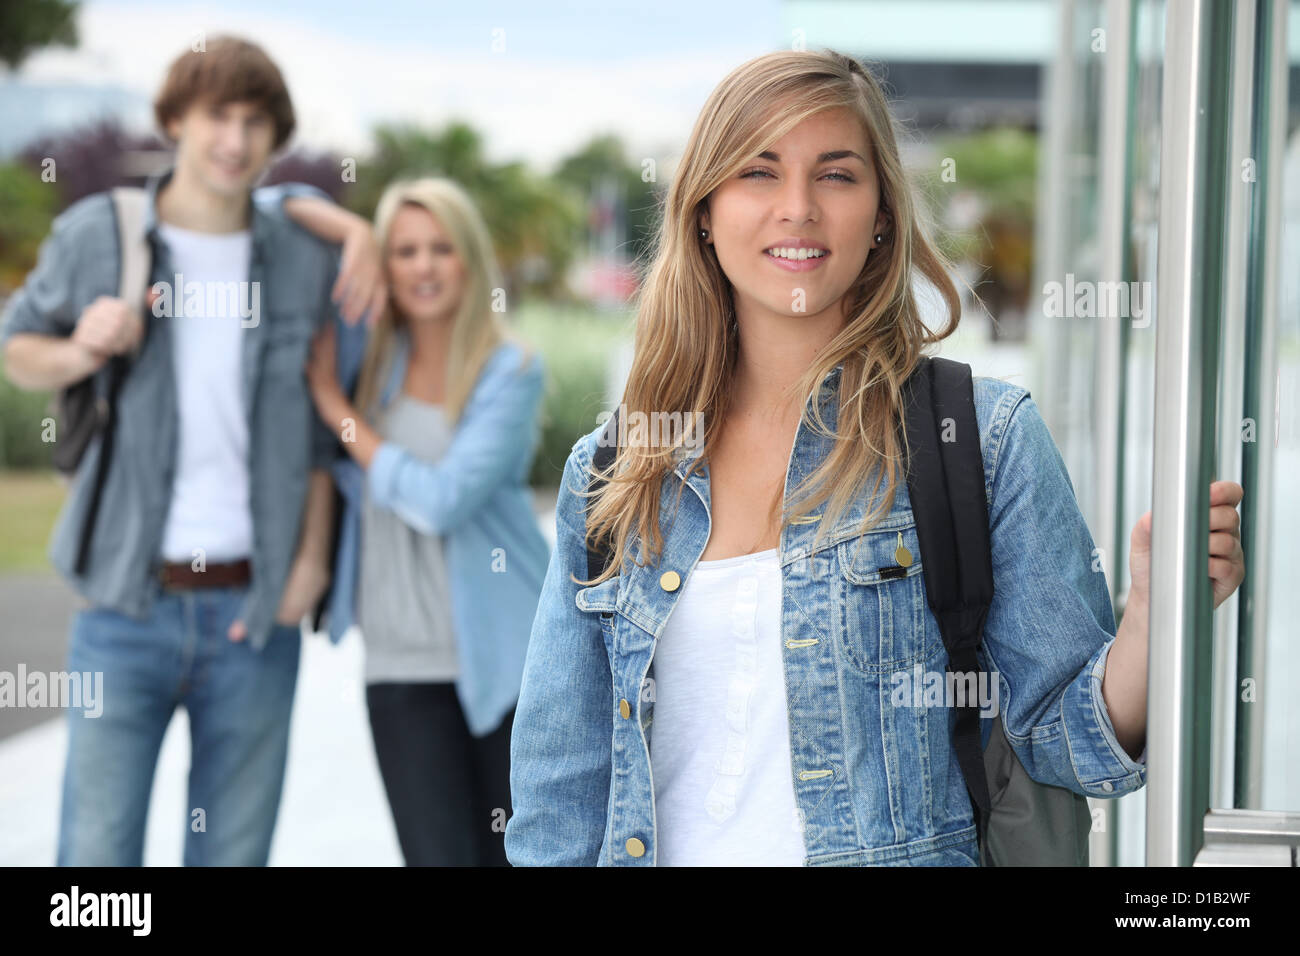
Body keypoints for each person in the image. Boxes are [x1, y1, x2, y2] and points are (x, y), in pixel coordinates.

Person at [503, 49, 1247, 867]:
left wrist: (1150, 620)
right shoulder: (615, 471)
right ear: (705, 212)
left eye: (837, 175)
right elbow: (559, 796)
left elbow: (1064, 742)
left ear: (882, 213)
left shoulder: (979, 437)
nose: (798, 208)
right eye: (758, 172)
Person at [0, 35, 377, 865]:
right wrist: (81, 350)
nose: (234, 141)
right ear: (175, 120)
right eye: (216, 117)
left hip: (257, 615)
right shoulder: (101, 235)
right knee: (96, 868)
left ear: (273, 137)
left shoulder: (304, 259)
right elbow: (17, 342)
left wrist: (309, 565)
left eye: (254, 122)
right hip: (124, 610)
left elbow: (321, 431)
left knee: (232, 858)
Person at [298, 177, 550, 866]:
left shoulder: (509, 370)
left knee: (517, 858)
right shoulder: (370, 364)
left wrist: (338, 413)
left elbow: (443, 499)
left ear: (469, 258)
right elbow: (271, 205)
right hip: (399, 661)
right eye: (404, 251)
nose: (424, 266)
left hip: (504, 662)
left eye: (441, 248)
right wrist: (352, 233)